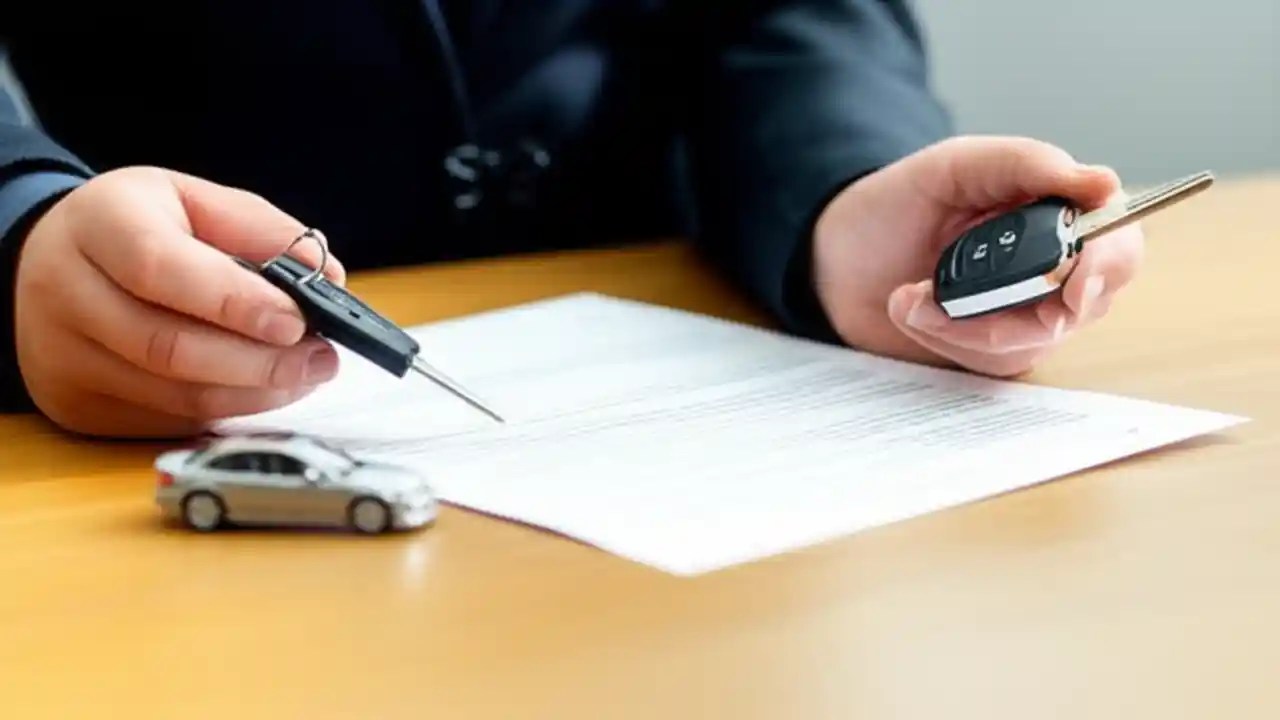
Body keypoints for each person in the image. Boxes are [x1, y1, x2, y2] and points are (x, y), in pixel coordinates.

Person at [0, 2, 1141, 438]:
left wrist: (835, 194)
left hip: (675, 308)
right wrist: (23, 223)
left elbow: (792, 22)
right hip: (141, 350)